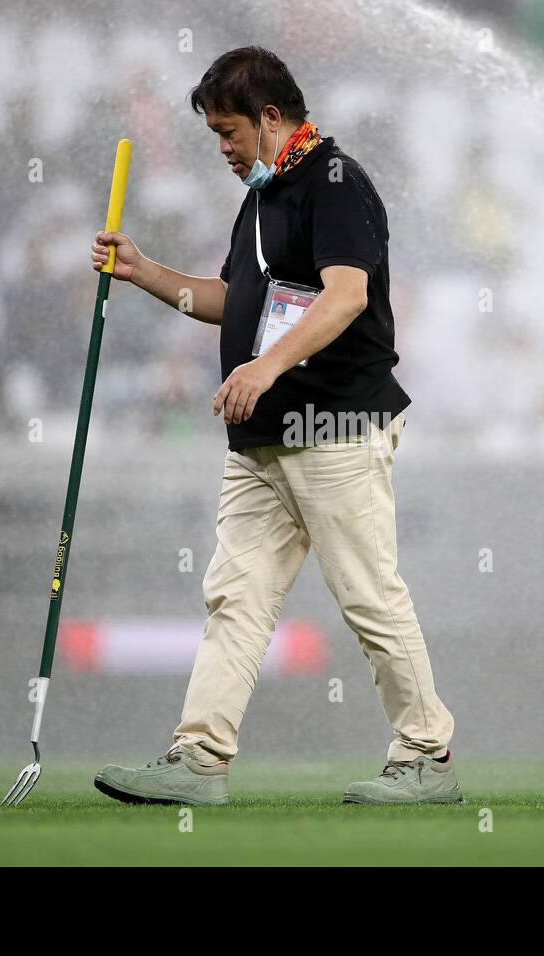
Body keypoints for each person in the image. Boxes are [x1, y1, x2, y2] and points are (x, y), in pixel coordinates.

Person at [89, 46, 459, 806]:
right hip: (263, 440)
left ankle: (428, 759)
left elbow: (347, 295)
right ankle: (199, 759)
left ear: (269, 117)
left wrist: (264, 370)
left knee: (368, 596)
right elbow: (234, 301)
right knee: (235, 596)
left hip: (336, 427)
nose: (222, 149)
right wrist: (144, 272)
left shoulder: (335, 181)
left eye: (228, 132)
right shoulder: (263, 193)